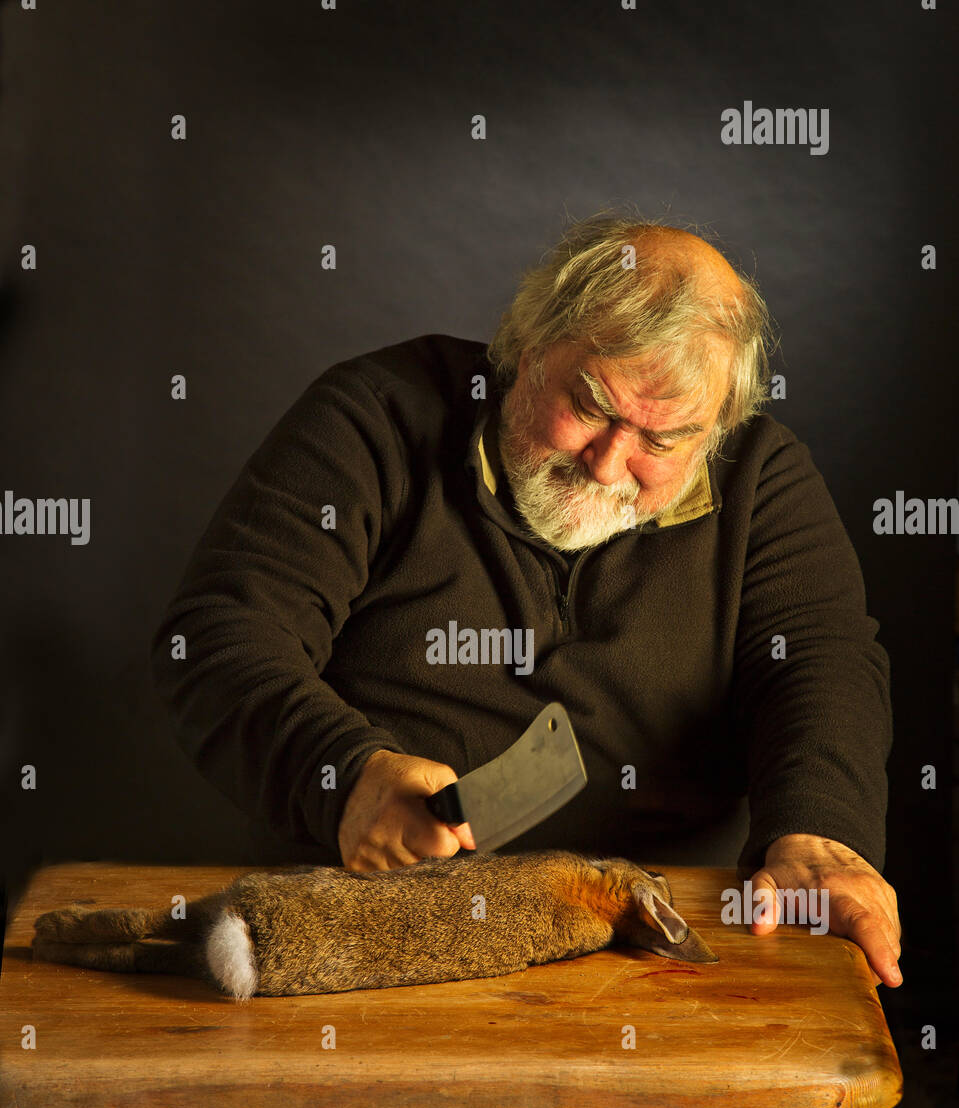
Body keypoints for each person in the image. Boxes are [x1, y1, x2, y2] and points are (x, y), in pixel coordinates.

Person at [150, 213, 901, 988]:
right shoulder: (373, 417)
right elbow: (219, 637)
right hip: (366, 938)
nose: (610, 466)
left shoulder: (761, 478)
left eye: (664, 439)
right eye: (590, 406)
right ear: (527, 348)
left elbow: (820, 663)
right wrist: (342, 773)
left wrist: (819, 831)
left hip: (665, 948)